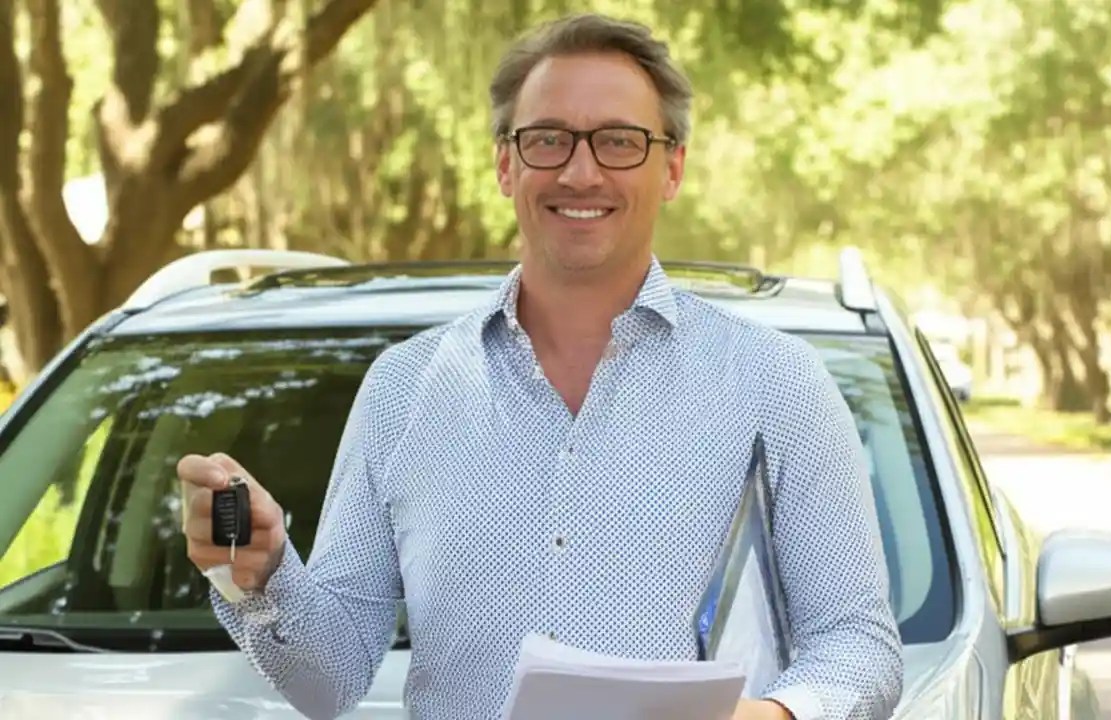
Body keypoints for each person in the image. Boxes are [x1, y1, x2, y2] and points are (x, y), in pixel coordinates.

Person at [179, 12, 903, 720]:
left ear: (673, 167)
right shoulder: (405, 391)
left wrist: (772, 715)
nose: (581, 172)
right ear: (505, 164)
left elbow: (859, 646)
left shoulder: (777, 385)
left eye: (619, 141)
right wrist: (260, 577)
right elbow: (327, 683)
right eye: (548, 140)